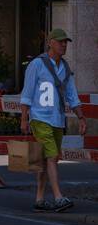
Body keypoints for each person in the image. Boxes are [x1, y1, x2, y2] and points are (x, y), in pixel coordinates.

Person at [19, 30, 87, 212]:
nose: (64, 45)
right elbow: (27, 93)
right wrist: (24, 118)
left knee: (45, 159)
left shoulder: (65, 67)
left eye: (66, 42)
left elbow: (72, 95)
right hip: (40, 118)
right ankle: (58, 197)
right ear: (50, 43)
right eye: (60, 42)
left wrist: (81, 117)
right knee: (53, 156)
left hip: (57, 119)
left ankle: (39, 199)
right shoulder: (36, 65)